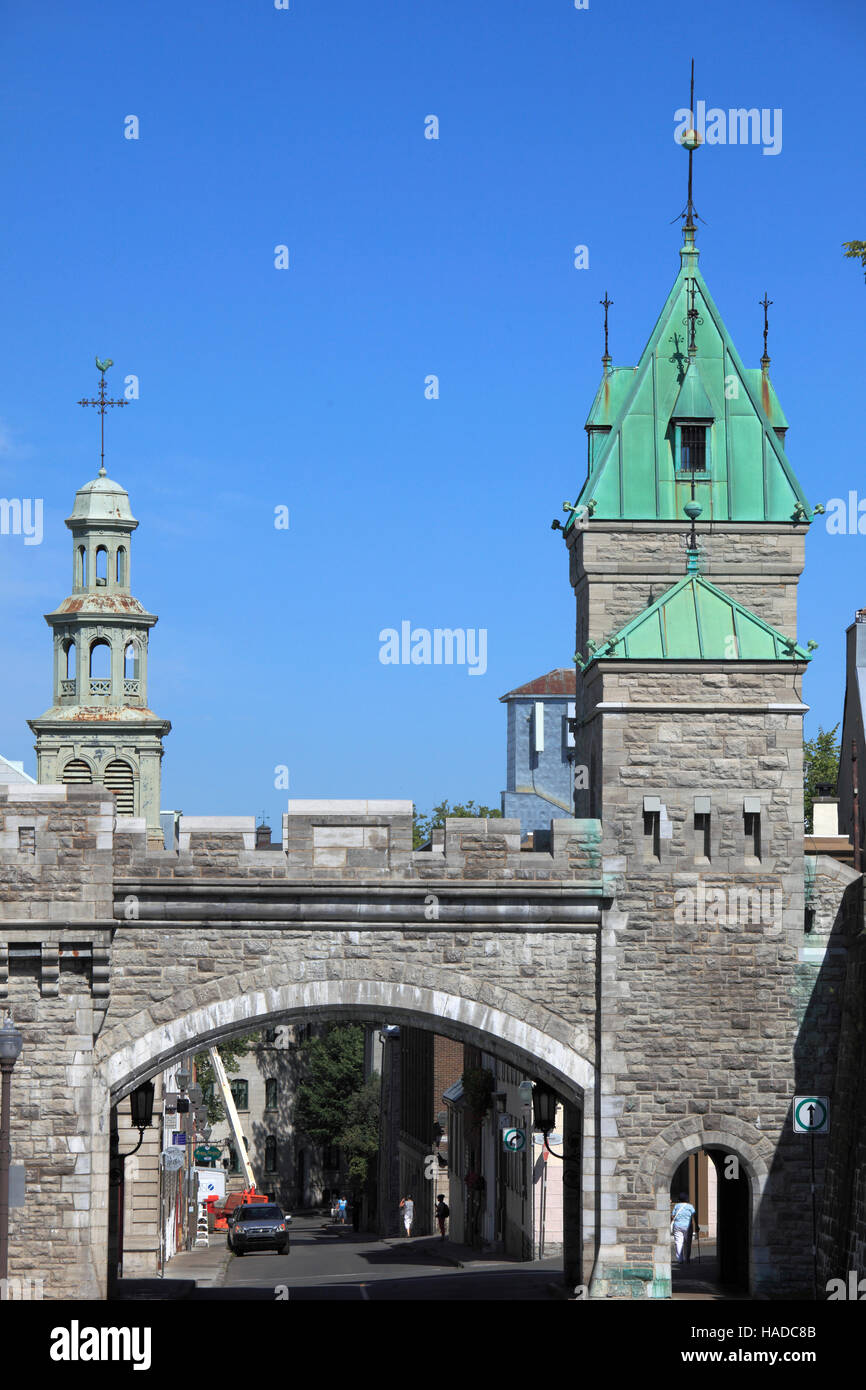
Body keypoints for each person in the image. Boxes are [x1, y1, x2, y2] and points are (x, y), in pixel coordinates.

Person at [671, 1191, 697, 1265]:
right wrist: (697, 1225)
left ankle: (680, 1260)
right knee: (688, 1243)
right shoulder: (690, 1206)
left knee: (678, 1242)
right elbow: (694, 1215)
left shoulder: (676, 1206)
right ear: (687, 1199)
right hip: (687, 1226)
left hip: (677, 1226)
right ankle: (687, 1259)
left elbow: (673, 1215)